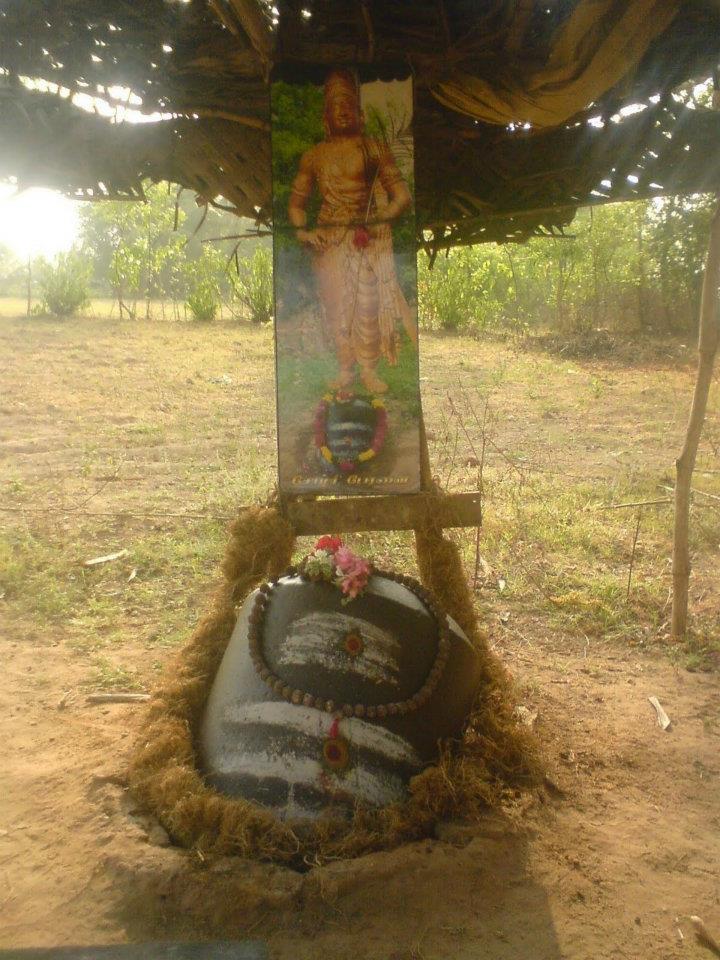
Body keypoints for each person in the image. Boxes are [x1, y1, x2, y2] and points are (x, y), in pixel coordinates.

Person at [288, 69, 416, 395]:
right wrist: (303, 232)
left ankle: (370, 370)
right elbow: (297, 205)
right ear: (326, 117)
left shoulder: (373, 147)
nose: (343, 110)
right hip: (330, 239)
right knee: (337, 307)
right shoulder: (314, 156)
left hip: (364, 238)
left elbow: (402, 196)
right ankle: (346, 368)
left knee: (368, 304)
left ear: (359, 113)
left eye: (349, 104)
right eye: (336, 105)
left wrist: (377, 219)